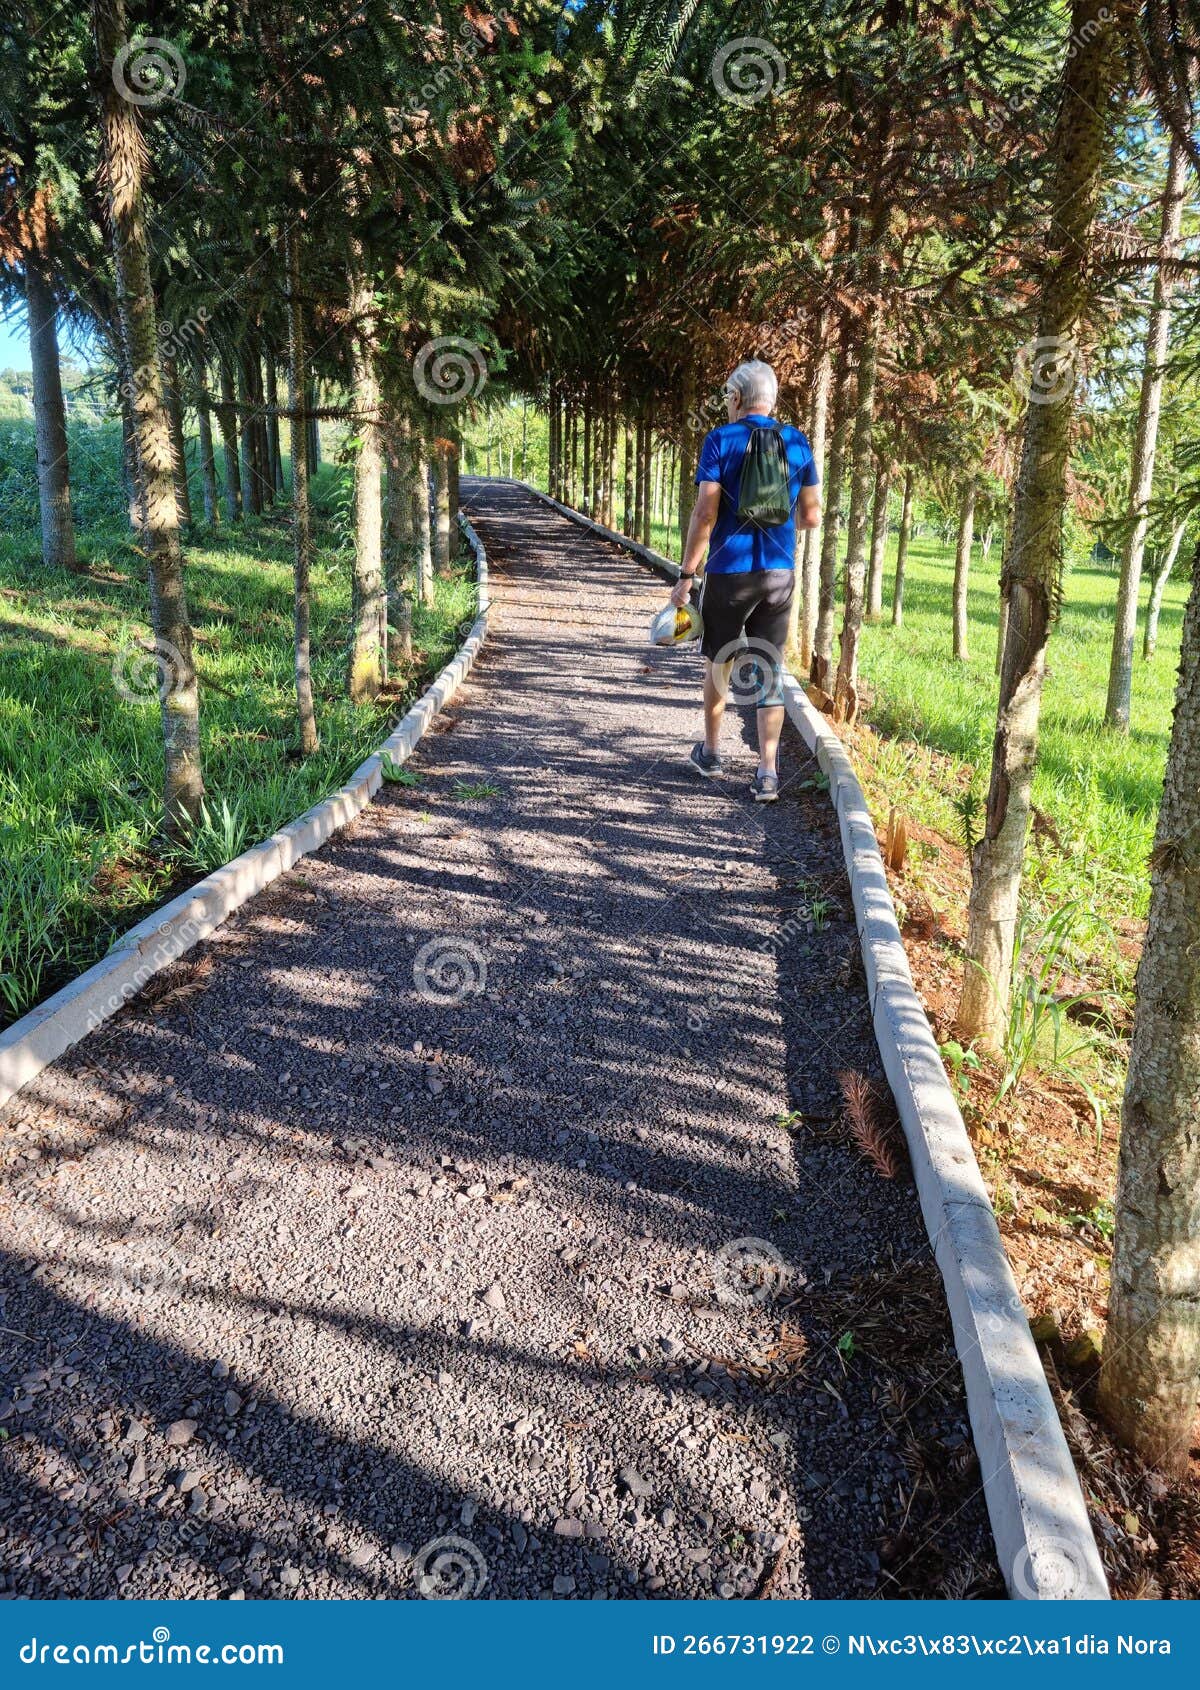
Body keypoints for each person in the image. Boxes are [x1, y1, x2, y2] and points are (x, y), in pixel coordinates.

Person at [671, 359, 820, 801]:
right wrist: (777, 522)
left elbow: (705, 513)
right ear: (771, 400)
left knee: (719, 661)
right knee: (770, 668)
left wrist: (685, 575)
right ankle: (767, 773)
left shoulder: (719, 439)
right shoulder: (796, 441)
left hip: (727, 573)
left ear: (736, 399)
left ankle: (713, 753)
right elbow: (812, 515)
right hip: (778, 575)